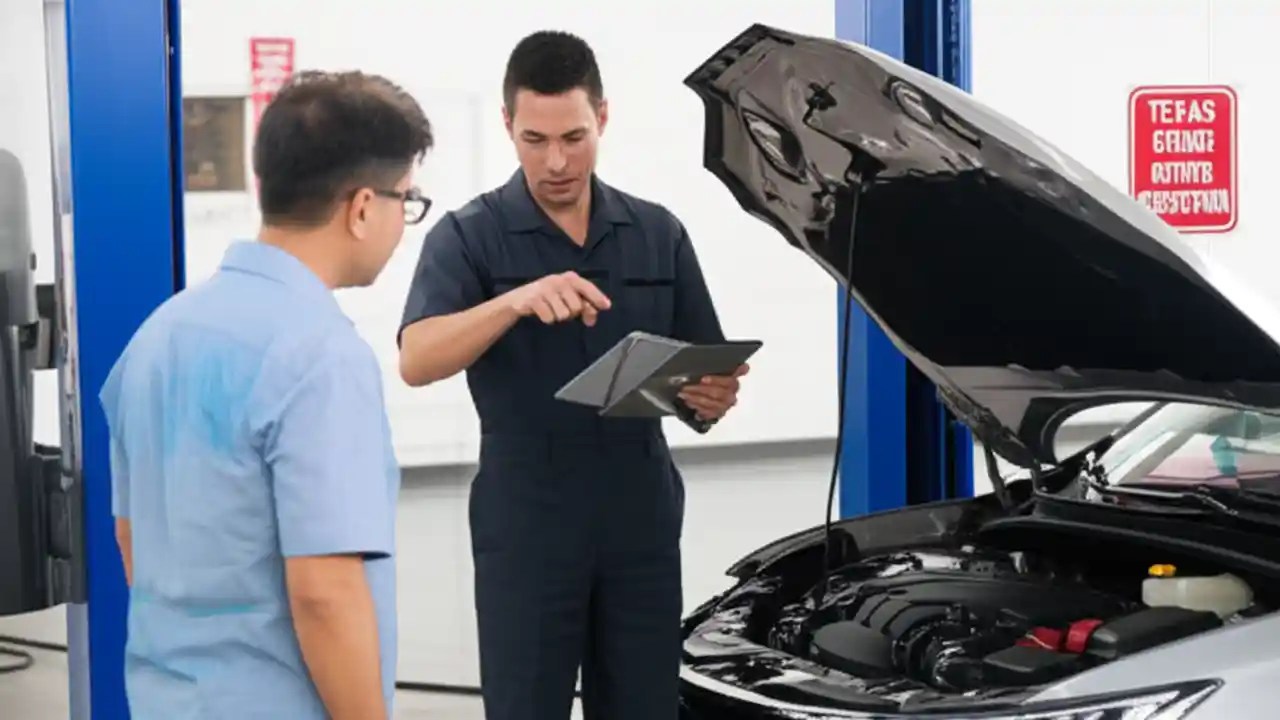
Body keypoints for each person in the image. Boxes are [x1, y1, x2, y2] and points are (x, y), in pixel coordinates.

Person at [398, 30, 747, 720]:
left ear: (603, 118)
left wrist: (712, 396)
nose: (556, 161)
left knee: (646, 706)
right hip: (528, 519)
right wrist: (513, 302)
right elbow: (417, 357)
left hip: (639, 517)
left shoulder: (658, 233)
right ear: (508, 124)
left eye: (573, 138)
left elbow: (706, 373)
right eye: (535, 140)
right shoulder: (468, 236)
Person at [100, 70, 433, 719]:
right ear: (363, 208)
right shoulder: (321, 356)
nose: (404, 220)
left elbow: (131, 538)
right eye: (407, 200)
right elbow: (325, 592)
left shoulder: (158, 336)